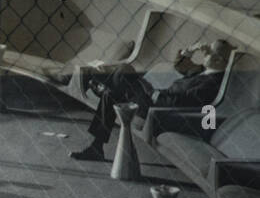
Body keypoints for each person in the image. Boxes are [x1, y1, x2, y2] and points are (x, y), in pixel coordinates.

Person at [71, 38, 234, 160]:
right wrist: (191, 50)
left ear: (219, 60)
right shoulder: (201, 71)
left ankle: (97, 84)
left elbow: (182, 102)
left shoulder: (212, 83)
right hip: (152, 100)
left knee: (124, 70)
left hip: (160, 109)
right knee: (111, 95)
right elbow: (180, 66)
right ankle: (96, 147)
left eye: (209, 52)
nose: (205, 53)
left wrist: (154, 93)